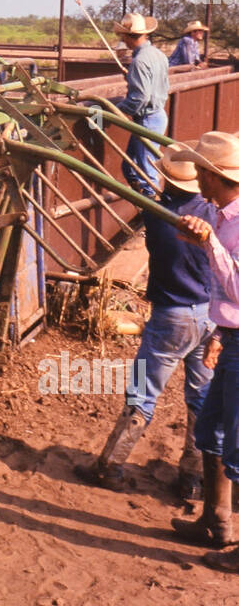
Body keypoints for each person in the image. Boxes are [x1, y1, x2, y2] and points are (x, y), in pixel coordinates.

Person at [76, 145, 212, 494]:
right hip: (210, 317)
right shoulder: (212, 217)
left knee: (142, 390)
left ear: (166, 179)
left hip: (171, 317)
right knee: (201, 396)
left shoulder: (158, 216)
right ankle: (191, 477)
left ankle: (110, 466)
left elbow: (137, 181)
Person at [169, 132, 239, 570]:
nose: (195, 179)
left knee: (237, 444)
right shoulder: (221, 215)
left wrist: (210, 244)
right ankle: (216, 519)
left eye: (200, 173)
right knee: (209, 430)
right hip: (230, 337)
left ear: (215, 176)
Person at [110, 13, 170, 198]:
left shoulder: (139, 61)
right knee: (130, 166)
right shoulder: (158, 55)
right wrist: (132, 77)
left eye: (123, 35)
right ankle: (145, 204)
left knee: (145, 172)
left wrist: (117, 110)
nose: (122, 39)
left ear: (128, 37)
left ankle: (156, 213)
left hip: (147, 119)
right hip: (158, 115)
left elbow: (140, 98)